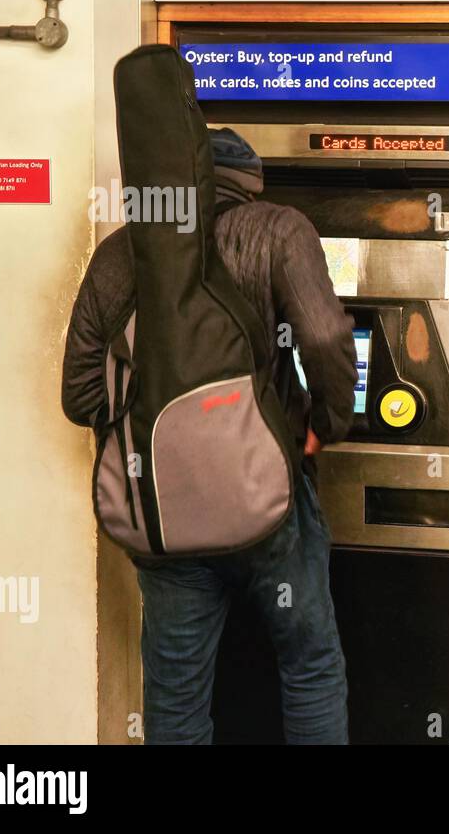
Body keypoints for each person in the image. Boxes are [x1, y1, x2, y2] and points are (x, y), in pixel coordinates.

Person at [62, 128, 358, 744]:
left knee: (175, 701)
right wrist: (322, 430)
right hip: (268, 507)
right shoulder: (279, 231)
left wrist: (163, 444)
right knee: (309, 667)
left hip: (166, 518)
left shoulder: (119, 254)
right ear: (250, 184)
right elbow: (328, 341)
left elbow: (81, 396)